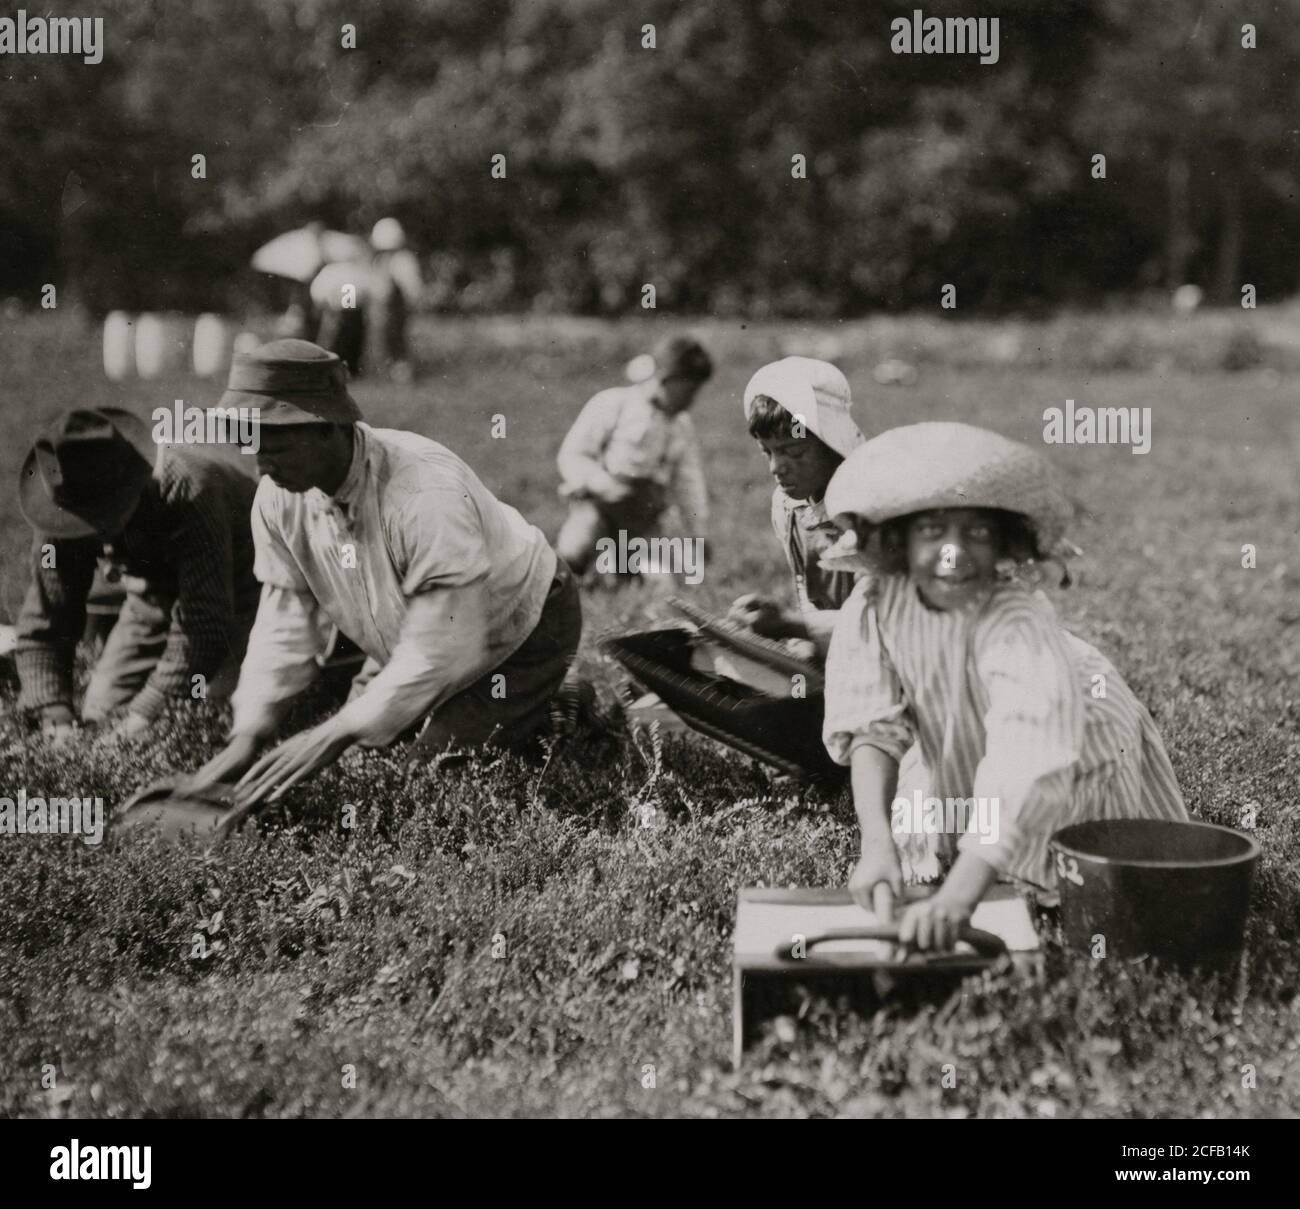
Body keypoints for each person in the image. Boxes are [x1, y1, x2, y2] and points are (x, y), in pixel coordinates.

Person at [821, 422, 1188, 949]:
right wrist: (875, 843)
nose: (954, 554)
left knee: (1071, 879)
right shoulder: (877, 602)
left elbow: (1028, 760)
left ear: (1004, 543)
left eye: (976, 533)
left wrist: (959, 897)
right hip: (962, 727)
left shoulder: (1015, 621)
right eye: (932, 532)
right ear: (898, 539)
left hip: (1072, 732)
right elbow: (872, 726)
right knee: (945, 826)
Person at [189, 340, 583, 804]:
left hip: (521, 627)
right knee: (364, 763)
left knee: (432, 782)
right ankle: (521, 707)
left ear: (329, 428)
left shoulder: (422, 492)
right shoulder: (277, 498)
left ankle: (567, 707)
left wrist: (335, 729)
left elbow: (445, 648)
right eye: (251, 442)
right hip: (409, 630)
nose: (260, 463)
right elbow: (285, 620)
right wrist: (248, 735)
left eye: (277, 443)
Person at [14, 408, 259, 742]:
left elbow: (205, 624)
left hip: (242, 595)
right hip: (153, 601)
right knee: (99, 714)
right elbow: (45, 621)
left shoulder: (190, 487)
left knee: (206, 714)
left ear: (136, 484)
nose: (93, 532)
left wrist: (147, 711)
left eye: (104, 516)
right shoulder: (61, 508)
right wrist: (54, 708)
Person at [726, 357, 865, 655]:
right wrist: (798, 636)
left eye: (795, 453)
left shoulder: (870, 511)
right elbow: (807, 595)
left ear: (831, 444)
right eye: (768, 452)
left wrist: (791, 625)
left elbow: (880, 626)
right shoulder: (788, 506)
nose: (777, 468)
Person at [555, 335, 712, 578]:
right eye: (688, 389)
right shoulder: (614, 403)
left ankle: (624, 570)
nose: (692, 399)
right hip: (601, 508)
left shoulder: (681, 426)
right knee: (575, 550)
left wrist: (697, 533)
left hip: (645, 520)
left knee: (675, 575)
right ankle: (580, 574)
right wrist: (601, 483)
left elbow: (688, 482)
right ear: (666, 378)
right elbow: (573, 454)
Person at [367, 217, 422, 382]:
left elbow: (412, 287)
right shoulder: (379, 261)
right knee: (382, 342)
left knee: (396, 341)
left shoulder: (402, 260)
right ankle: (385, 372)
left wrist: (411, 303)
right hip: (381, 307)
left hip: (395, 307)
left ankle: (399, 374)